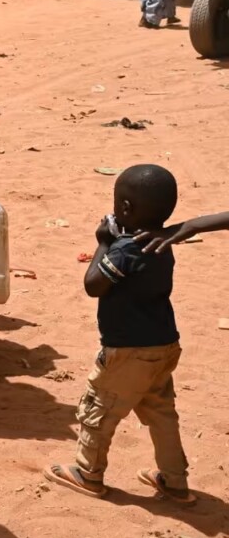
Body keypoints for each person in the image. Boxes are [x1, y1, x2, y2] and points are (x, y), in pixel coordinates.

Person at [45, 165, 198, 505]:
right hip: (163, 345)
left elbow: (93, 285)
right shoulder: (162, 242)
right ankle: (174, 481)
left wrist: (103, 243)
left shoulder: (127, 248)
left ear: (125, 209)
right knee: (161, 412)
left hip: (128, 351)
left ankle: (88, 473)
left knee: (98, 409)